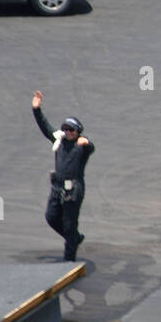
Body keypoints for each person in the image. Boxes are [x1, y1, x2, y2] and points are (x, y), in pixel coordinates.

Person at [32, 90, 94, 261]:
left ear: (78, 131)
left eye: (71, 130)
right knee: (51, 217)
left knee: (69, 223)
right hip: (57, 187)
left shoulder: (81, 146)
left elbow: (91, 147)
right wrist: (36, 109)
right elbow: (45, 128)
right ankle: (74, 237)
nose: (67, 132)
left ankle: (69, 260)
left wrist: (86, 143)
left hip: (73, 190)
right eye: (65, 129)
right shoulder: (58, 141)